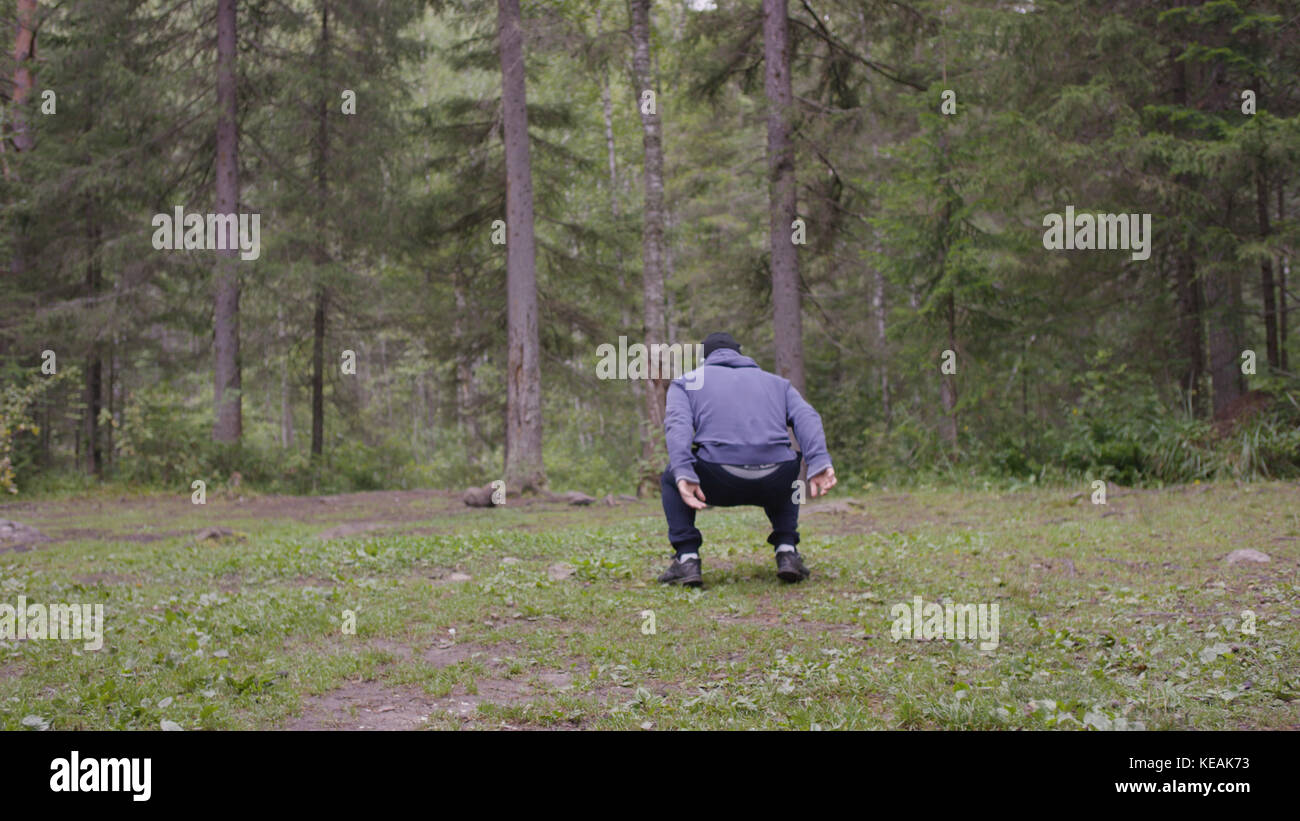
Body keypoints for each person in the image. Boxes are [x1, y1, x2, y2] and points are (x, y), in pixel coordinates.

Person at [657, 332, 836, 587]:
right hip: (774, 479)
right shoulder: (778, 384)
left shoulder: (686, 383)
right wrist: (818, 461)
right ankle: (787, 552)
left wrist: (684, 472)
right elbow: (807, 417)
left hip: (716, 480)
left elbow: (678, 426)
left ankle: (687, 559)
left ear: (704, 358)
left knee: (671, 477)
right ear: (739, 354)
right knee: (789, 465)